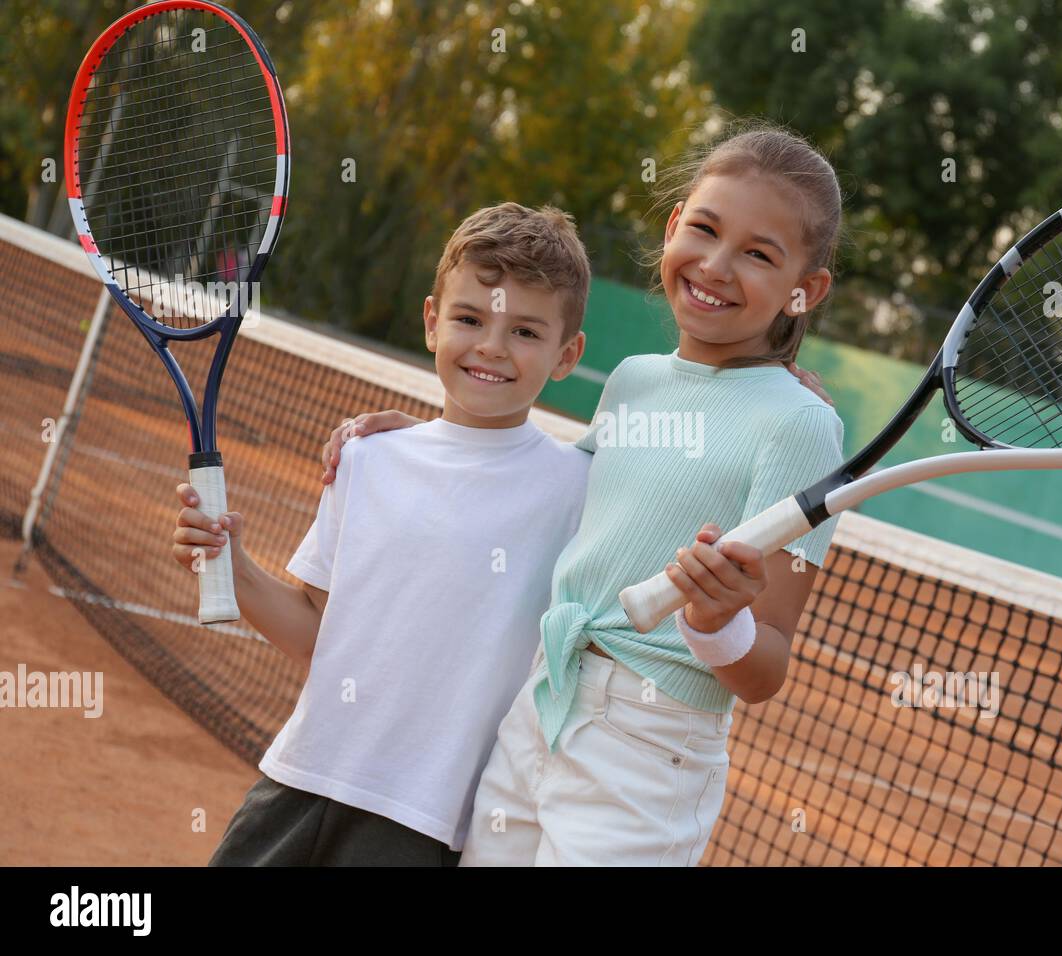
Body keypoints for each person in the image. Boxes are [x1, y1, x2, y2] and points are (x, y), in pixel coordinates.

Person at [323, 120, 848, 866]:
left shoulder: (801, 427)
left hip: (650, 747)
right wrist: (433, 436)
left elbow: (765, 668)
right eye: (704, 229)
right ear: (672, 228)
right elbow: (551, 487)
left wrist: (715, 621)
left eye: (760, 254)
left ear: (807, 290)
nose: (718, 265)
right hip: (543, 700)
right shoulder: (634, 379)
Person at [169, 203, 593, 865]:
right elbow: (313, 632)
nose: (491, 347)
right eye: (470, 319)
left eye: (525, 332)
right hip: (299, 779)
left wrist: (774, 368)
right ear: (432, 321)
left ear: (567, 354)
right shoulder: (366, 458)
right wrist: (232, 563)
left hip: (419, 824)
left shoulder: (579, 490)